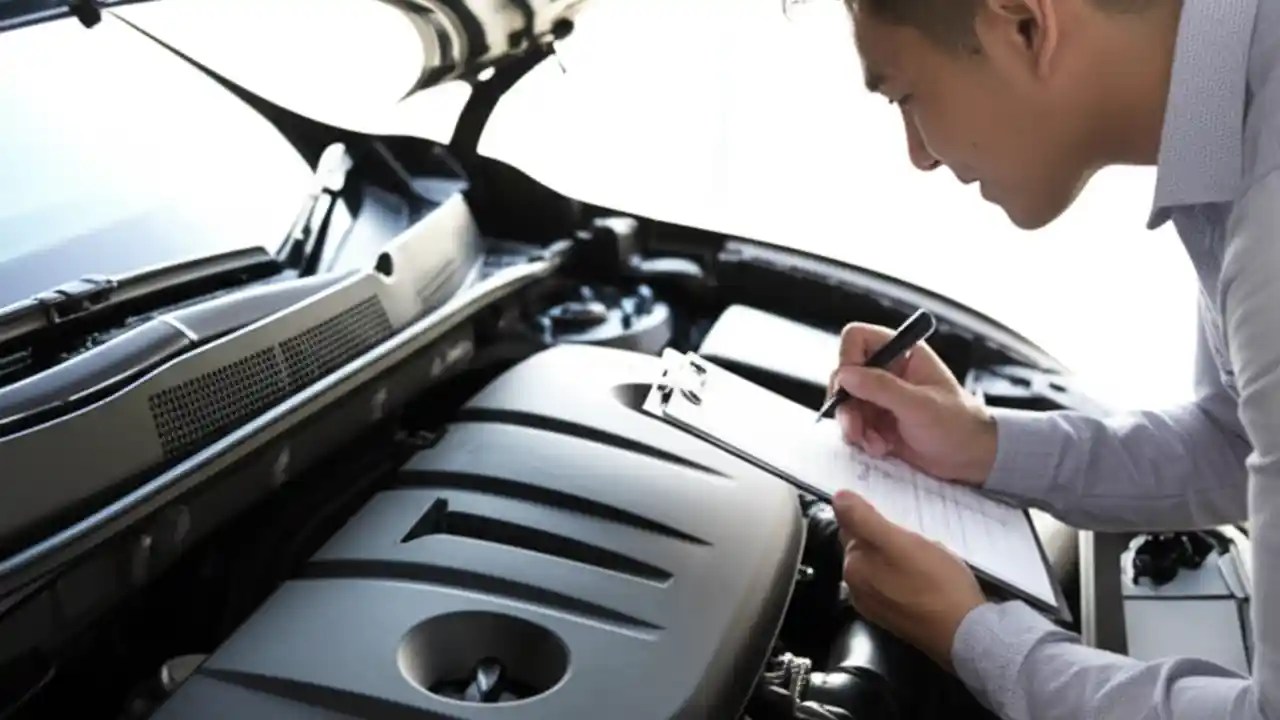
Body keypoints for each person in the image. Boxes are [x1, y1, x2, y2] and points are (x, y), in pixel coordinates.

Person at [825, 0, 1280, 718]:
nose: (919, 153)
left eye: (906, 95)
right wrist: (980, 444)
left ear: (1025, 27)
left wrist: (971, 636)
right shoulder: (1234, 101)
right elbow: (1237, 441)